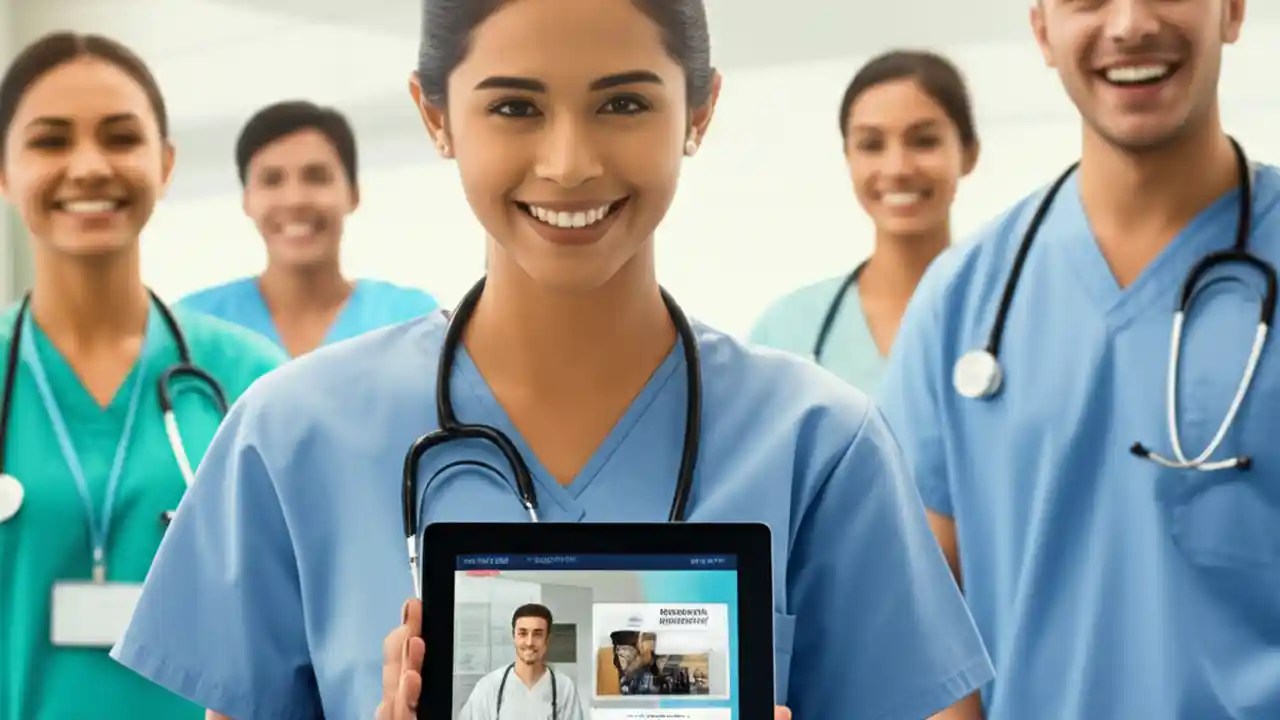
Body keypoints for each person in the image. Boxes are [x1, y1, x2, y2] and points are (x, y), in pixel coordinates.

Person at [110, 0, 994, 718]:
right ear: (434, 115)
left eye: (623, 103)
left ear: (700, 111)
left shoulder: (819, 448)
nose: (569, 162)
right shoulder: (290, 437)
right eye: (513, 107)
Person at [876, 0, 1278, 718]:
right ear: (1042, 31)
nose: (1128, 24)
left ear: (1234, 11)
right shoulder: (964, 300)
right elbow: (918, 629)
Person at [0, 32, 286, 719]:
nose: (90, 165)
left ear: (165, 163)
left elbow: (291, 625)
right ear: (4, 171)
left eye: (120, 137)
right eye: (50, 140)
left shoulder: (253, 382)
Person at [748, 50, 979, 392]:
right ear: (848, 158)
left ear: (968, 153)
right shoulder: (788, 331)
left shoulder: (1018, 316)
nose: (897, 168)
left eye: (924, 141)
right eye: (871, 145)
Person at [177, 100, 439, 357]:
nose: (295, 199)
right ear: (247, 200)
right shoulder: (190, 328)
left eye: (316, 177)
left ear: (353, 194)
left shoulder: (412, 323)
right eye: (271, 180)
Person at [457, 604, 585, 720]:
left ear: (547, 639)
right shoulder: (488, 687)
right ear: (514, 637)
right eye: (523, 633)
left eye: (537, 634)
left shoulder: (564, 688)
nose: (529, 642)